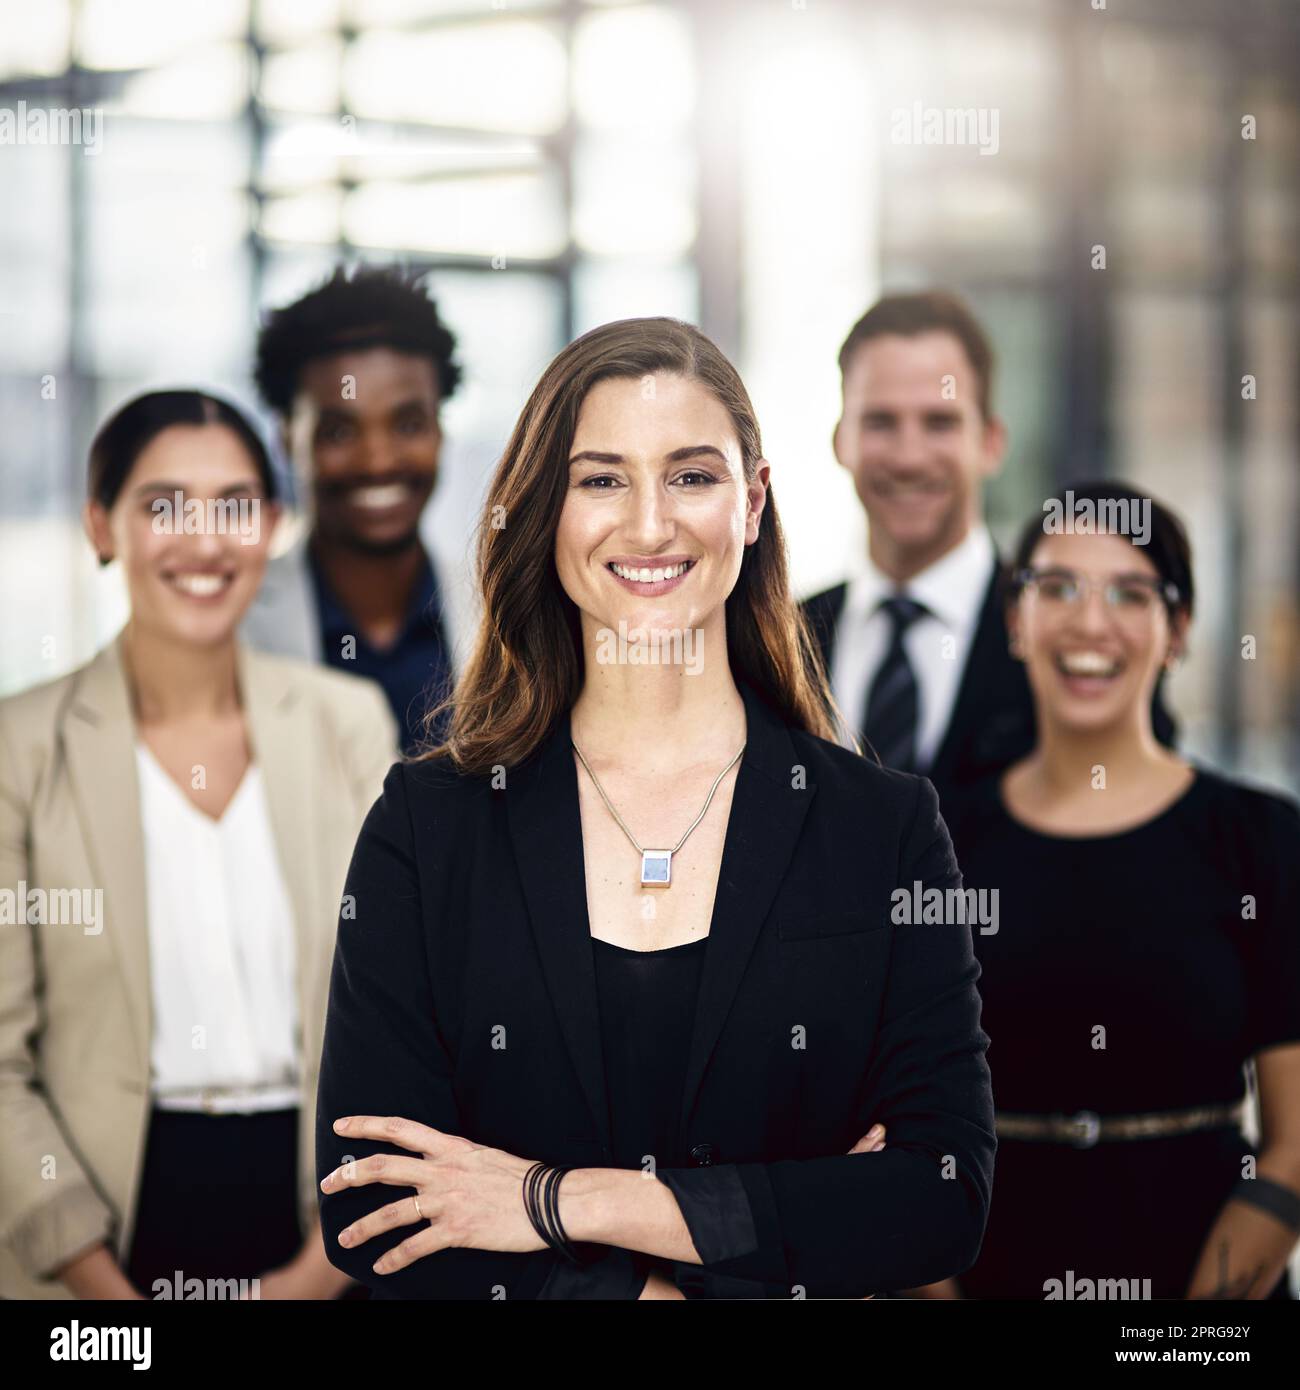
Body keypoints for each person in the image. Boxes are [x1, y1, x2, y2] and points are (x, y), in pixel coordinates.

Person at [315, 316, 996, 1300]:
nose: (647, 524)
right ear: (547, 511)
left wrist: (551, 1200)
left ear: (752, 501)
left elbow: (939, 1197)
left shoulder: (880, 829)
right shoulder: (430, 824)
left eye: (691, 475)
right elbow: (371, 1205)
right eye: (601, 479)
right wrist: (713, 1260)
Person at [0, 390, 397, 1300]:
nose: (205, 538)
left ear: (273, 525)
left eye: (235, 505)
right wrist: (110, 1297)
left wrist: (313, 1275)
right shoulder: (20, 748)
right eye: (164, 505)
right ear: (103, 526)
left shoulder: (347, 722)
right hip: (94, 1233)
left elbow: (406, 1018)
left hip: (325, 1215)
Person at [916, 482, 1300, 1300]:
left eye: (1130, 593)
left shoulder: (1258, 839)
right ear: (1016, 622)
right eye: (1057, 588)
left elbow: (1296, 1145)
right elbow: (898, 1129)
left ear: (1179, 632)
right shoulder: (932, 838)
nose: (1090, 623)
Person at [802, 291, 1175, 807]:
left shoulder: (1077, 638)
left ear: (992, 442)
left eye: (940, 423)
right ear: (841, 440)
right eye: (881, 422)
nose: (910, 457)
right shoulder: (780, 638)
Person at [243, 264, 472, 752]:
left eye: (408, 424)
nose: (378, 461)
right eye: (340, 432)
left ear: (440, 429)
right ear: (286, 440)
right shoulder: (235, 622)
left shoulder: (509, 614)